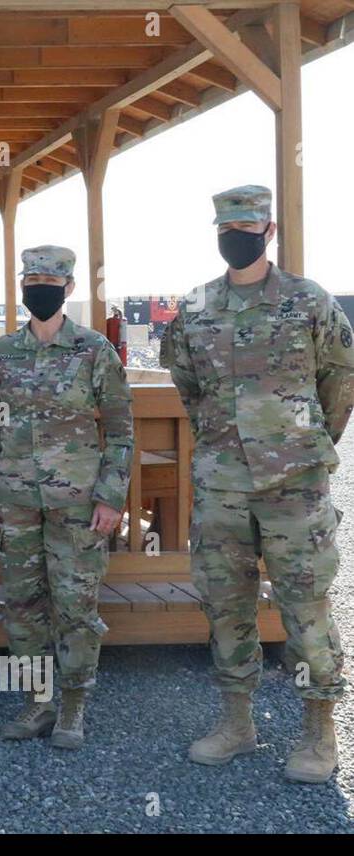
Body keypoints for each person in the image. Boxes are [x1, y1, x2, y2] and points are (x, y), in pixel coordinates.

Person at [161, 185, 354, 783]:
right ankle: (237, 724)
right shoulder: (194, 307)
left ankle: (318, 732)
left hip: (294, 483)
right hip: (221, 485)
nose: (235, 235)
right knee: (226, 607)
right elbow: (189, 387)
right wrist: (227, 443)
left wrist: (303, 444)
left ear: (268, 231)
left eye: (247, 225)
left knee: (305, 610)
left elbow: (340, 381)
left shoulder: (308, 300)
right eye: (226, 226)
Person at [0, 245, 133, 748]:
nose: (38, 286)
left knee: (76, 606)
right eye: (31, 278)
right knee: (22, 606)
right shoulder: (2, 353)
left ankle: (73, 706)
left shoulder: (93, 351)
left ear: (68, 288)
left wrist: (110, 497)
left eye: (49, 279)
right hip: (16, 502)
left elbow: (122, 431)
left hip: (78, 505)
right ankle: (37, 702)